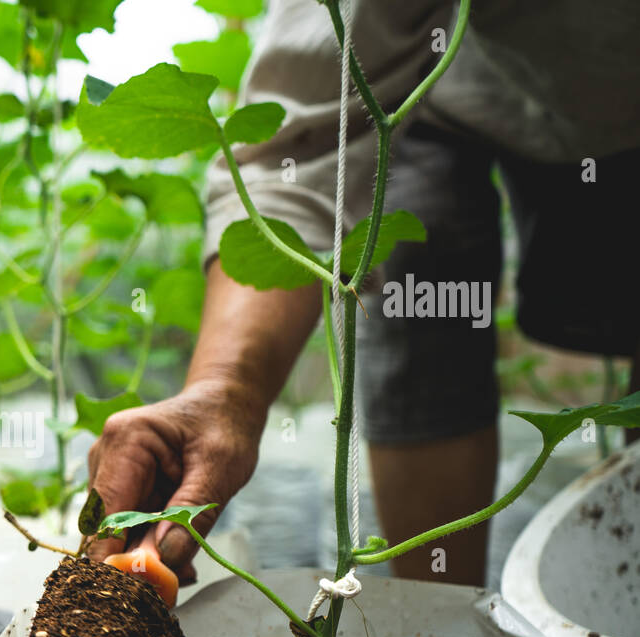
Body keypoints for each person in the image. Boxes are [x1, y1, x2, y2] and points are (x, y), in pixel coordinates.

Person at [87, 0, 640, 586]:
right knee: (416, 252)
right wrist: (225, 392)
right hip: (436, 92)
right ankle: (442, 629)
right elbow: (297, 153)